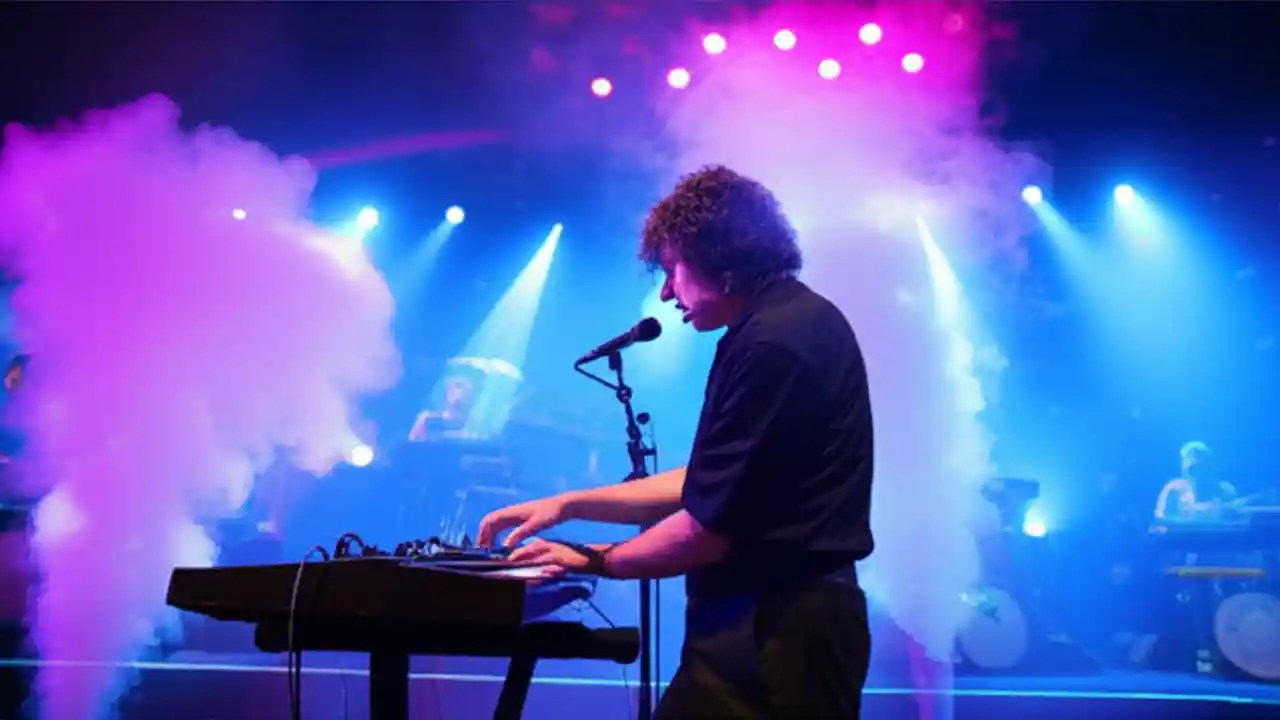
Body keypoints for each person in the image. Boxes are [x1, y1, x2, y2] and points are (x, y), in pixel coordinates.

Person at [477, 165, 875, 718]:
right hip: (764, 621)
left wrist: (588, 558)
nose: (665, 292)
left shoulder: (774, 343)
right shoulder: (779, 324)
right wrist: (566, 505)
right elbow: (709, 481)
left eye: (672, 270)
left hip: (781, 627)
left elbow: (707, 532)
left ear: (718, 255)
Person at [1152, 441, 1239, 522]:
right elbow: (1161, 520)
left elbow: (1234, 517)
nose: (1196, 462)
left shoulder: (1225, 490)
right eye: (1190, 458)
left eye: (1202, 459)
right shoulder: (1173, 489)